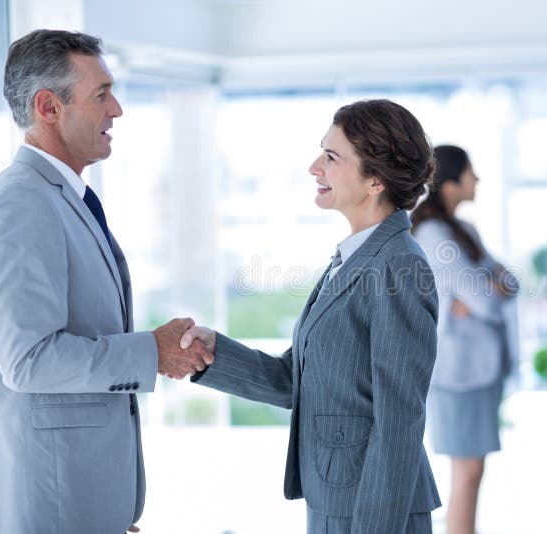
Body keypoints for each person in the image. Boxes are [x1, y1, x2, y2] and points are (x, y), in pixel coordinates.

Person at [0, 29, 212, 534]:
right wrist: (150, 352)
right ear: (49, 107)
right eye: (101, 94)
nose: (117, 110)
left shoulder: (61, 198)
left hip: (79, 500)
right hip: (52, 505)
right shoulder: (22, 204)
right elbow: (28, 360)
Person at [180, 99, 440, 533]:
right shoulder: (355, 257)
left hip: (372, 511)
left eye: (331, 157)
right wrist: (215, 354)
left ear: (375, 179)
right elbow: (296, 380)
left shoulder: (398, 266)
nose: (314, 167)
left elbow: (399, 421)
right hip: (337, 497)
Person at [410, 145, 518, 534]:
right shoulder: (434, 233)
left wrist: (487, 289)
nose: (478, 180)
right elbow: (488, 299)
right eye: (471, 173)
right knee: (467, 469)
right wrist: (485, 290)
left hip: (479, 368)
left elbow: (509, 281)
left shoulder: (464, 230)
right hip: (459, 371)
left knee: (471, 469)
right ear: (451, 182)